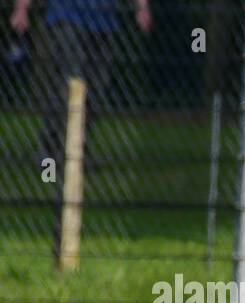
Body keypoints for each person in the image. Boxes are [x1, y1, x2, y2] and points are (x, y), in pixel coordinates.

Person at [9, 0, 152, 254]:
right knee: (69, 86)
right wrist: (22, 9)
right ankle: (49, 151)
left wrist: (141, 8)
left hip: (104, 22)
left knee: (94, 94)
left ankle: (78, 151)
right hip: (66, 17)